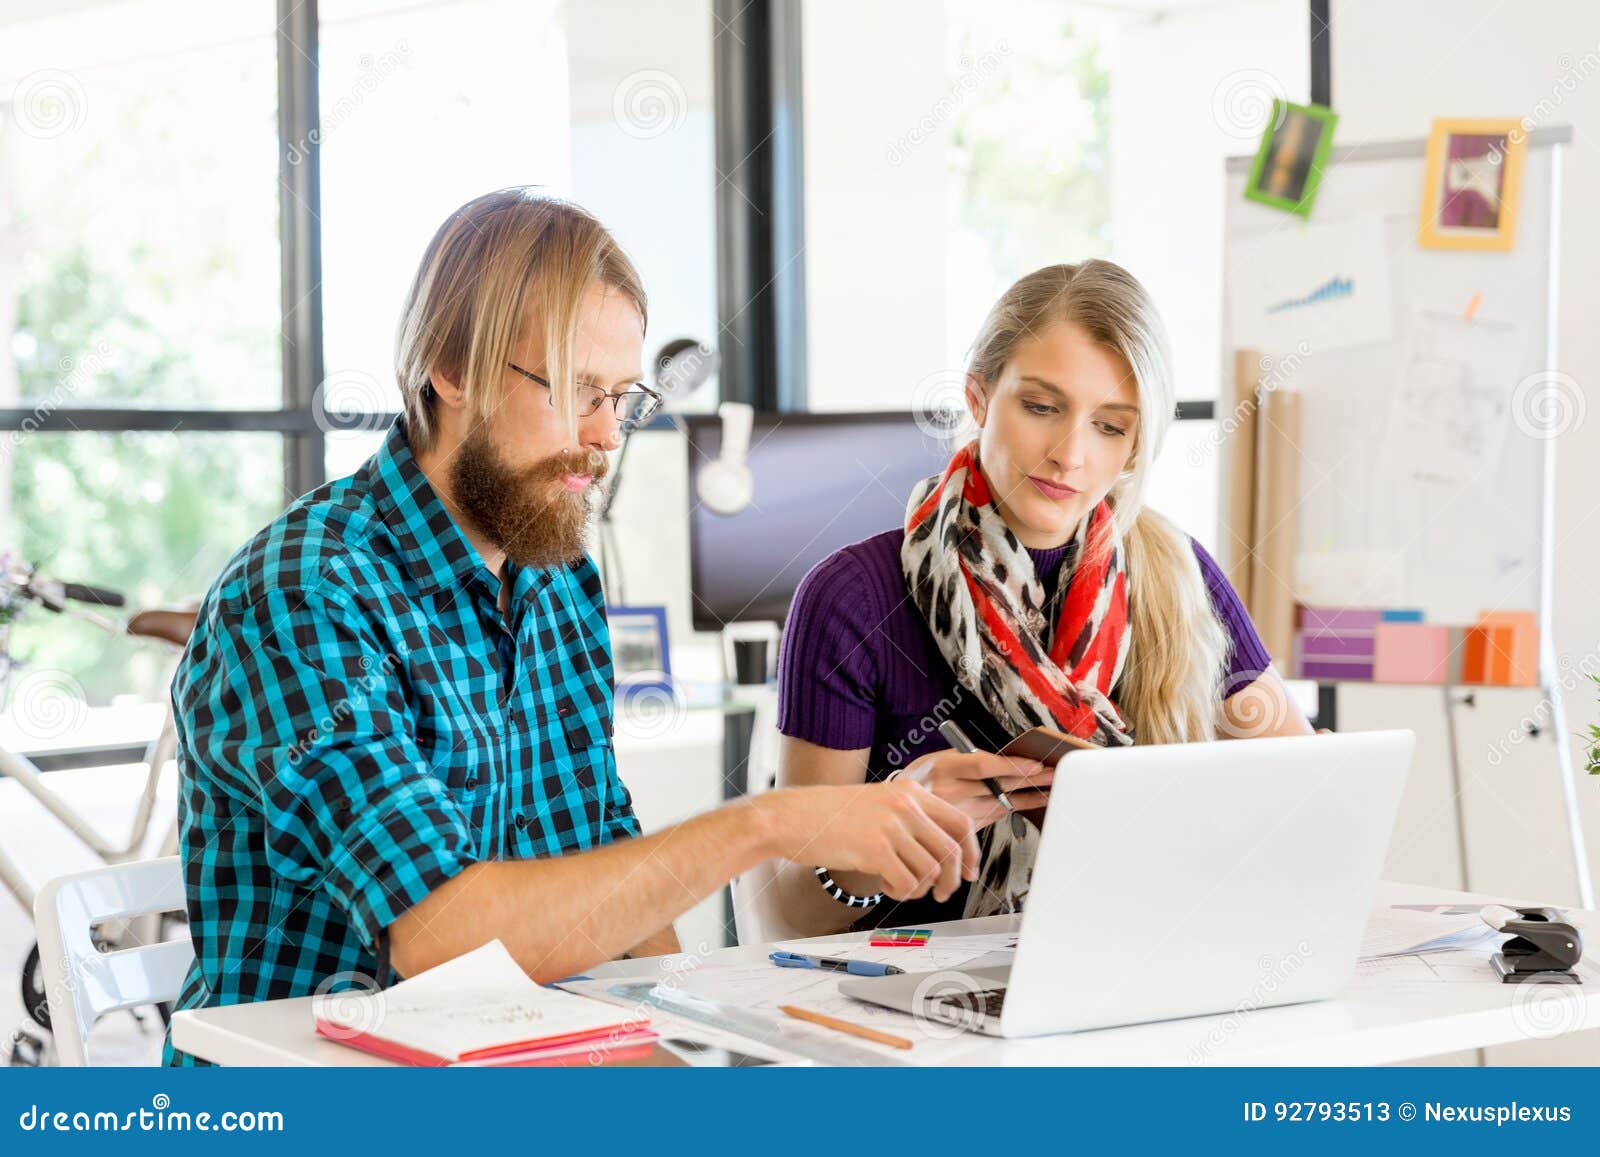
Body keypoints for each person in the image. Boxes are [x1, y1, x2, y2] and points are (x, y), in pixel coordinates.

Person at [162, 189, 977, 1064]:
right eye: (579, 390)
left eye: (622, 399)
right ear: (451, 367)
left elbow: (603, 857)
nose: (605, 436)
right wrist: (766, 822)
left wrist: (697, 1039)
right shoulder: (305, 590)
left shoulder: (555, 578)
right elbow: (439, 933)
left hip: (521, 1061)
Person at [772, 260, 1313, 937]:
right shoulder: (851, 597)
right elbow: (791, 907)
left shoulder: (1177, 573)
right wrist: (885, 829)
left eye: (1110, 426)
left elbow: (1308, 797)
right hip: (908, 989)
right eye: (1040, 407)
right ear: (978, 397)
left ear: (1135, 446)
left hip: (1133, 966)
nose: (1070, 454)